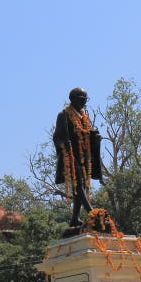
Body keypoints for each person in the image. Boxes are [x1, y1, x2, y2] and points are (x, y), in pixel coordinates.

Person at [53, 87, 102, 228]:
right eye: (81, 99)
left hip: (84, 157)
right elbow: (57, 137)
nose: (84, 102)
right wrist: (64, 144)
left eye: (85, 99)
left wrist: (95, 137)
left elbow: (86, 134)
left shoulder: (83, 117)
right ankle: (92, 213)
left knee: (81, 186)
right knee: (78, 184)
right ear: (73, 99)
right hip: (70, 157)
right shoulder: (63, 116)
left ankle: (74, 218)